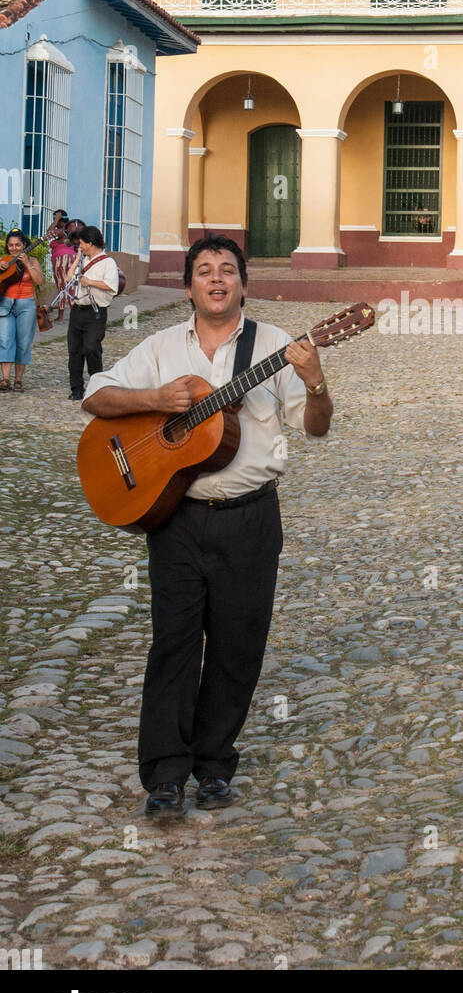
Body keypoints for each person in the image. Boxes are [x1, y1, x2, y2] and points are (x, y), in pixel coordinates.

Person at [82, 234, 333, 818]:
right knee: (173, 644)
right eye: (203, 271)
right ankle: (165, 775)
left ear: (243, 283)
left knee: (236, 647)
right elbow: (96, 394)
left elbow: (316, 427)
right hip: (177, 517)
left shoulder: (274, 347)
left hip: (250, 517)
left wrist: (317, 380)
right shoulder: (163, 346)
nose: (216, 280)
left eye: (227, 271)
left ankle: (215, 765)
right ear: (189, 283)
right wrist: (155, 398)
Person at [67, 225, 119, 400]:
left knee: (91, 348)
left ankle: (97, 386)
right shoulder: (83, 260)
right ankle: (76, 389)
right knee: (74, 350)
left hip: (95, 312)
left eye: (81, 243)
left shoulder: (108, 262)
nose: (79, 245)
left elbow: (112, 286)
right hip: (77, 310)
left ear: (90, 242)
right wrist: (77, 258)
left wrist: (91, 282)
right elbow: (68, 278)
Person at [0, 230, 44, 392]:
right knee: (5, 340)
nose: (14, 248)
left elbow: (39, 280)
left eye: (17, 245)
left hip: (27, 305)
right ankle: (5, 379)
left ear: (24, 245)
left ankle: (18, 380)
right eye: (11, 245)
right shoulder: (3, 260)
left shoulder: (33, 260)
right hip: (5, 304)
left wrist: (27, 264)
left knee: (23, 343)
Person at [48, 210, 76, 323]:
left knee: (62, 287)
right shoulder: (71, 229)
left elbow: (49, 232)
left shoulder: (62, 230)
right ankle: (75, 316)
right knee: (72, 287)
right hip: (72, 260)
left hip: (62, 260)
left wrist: (56, 219)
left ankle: (60, 316)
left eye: (56, 220)